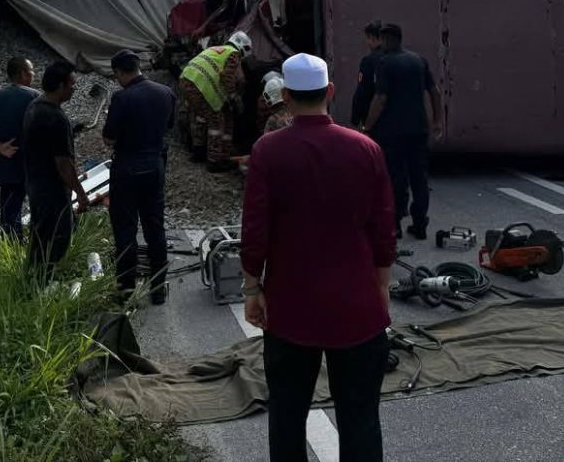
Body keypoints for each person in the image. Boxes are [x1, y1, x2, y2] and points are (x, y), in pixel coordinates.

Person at [242, 53, 395, 462]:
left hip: (291, 308)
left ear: (287, 97)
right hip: (357, 306)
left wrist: (252, 288)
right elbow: (383, 230)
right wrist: (381, 287)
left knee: (288, 416)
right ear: (330, 91)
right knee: (361, 417)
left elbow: (255, 230)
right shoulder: (366, 149)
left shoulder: (267, 151)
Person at [102, 49, 176, 302]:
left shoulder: (122, 98)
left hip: (127, 168)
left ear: (120, 72)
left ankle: (125, 289)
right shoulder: (166, 92)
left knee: (125, 228)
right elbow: (168, 127)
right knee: (155, 226)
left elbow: (109, 137)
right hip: (155, 165)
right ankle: (157, 289)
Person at [363, 22, 442, 240]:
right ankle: (420, 224)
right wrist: (437, 121)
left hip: (392, 131)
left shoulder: (385, 63)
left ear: (386, 40)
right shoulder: (419, 60)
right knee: (419, 177)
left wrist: (367, 126)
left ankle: (395, 224)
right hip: (419, 128)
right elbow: (435, 92)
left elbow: (380, 99)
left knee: (395, 177)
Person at [23, 60, 88, 278]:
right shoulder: (56, 119)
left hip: (35, 184)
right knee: (58, 237)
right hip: (51, 190)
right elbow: (63, 165)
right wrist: (80, 192)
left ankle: (33, 277)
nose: (74, 88)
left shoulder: (35, 106)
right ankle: (44, 284)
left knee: (40, 234)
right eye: (71, 84)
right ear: (60, 86)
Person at [0, 57, 37, 240]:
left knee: (10, 213)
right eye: (31, 70)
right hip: (33, 163)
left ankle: (12, 250)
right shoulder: (35, 97)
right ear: (21, 74)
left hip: (8, 163)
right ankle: (42, 247)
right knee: (41, 207)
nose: (33, 74)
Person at [178, 30, 253, 171]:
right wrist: (233, 98)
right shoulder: (233, 54)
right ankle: (214, 161)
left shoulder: (216, 48)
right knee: (216, 121)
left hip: (186, 79)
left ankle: (198, 151)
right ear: (244, 48)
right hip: (199, 86)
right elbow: (227, 77)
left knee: (200, 116)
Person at [350, 20, 384, 129]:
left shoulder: (368, 61)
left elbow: (362, 91)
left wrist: (355, 118)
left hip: (374, 119)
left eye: (367, 38)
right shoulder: (394, 58)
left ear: (372, 38)